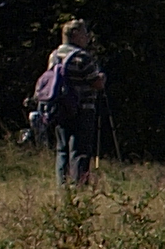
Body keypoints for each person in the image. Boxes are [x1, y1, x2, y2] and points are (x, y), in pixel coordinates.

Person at [33, 20, 110, 188]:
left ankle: (62, 184)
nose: (87, 37)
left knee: (62, 149)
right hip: (82, 109)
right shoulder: (82, 56)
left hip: (59, 108)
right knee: (80, 149)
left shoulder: (54, 56)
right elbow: (96, 83)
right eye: (84, 33)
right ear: (75, 34)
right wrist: (102, 77)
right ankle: (79, 185)